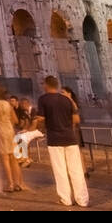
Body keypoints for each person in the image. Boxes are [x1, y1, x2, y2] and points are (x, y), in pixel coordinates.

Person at [38, 75, 89, 207]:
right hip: (70, 138)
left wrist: (39, 129)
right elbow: (76, 120)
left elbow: (41, 119)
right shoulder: (67, 100)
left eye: (43, 84)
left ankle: (66, 199)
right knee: (76, 170)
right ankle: (82, 200)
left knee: (60, 170)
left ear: (46, 85)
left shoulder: (43, 99)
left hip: (55, 140)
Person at [0, 84, 25, 192]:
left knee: (5, 158)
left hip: (0, 131)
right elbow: (15, 120)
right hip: (10, 131)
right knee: (13, 158)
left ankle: (10, 184)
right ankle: (18, 183)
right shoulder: (8, 104)